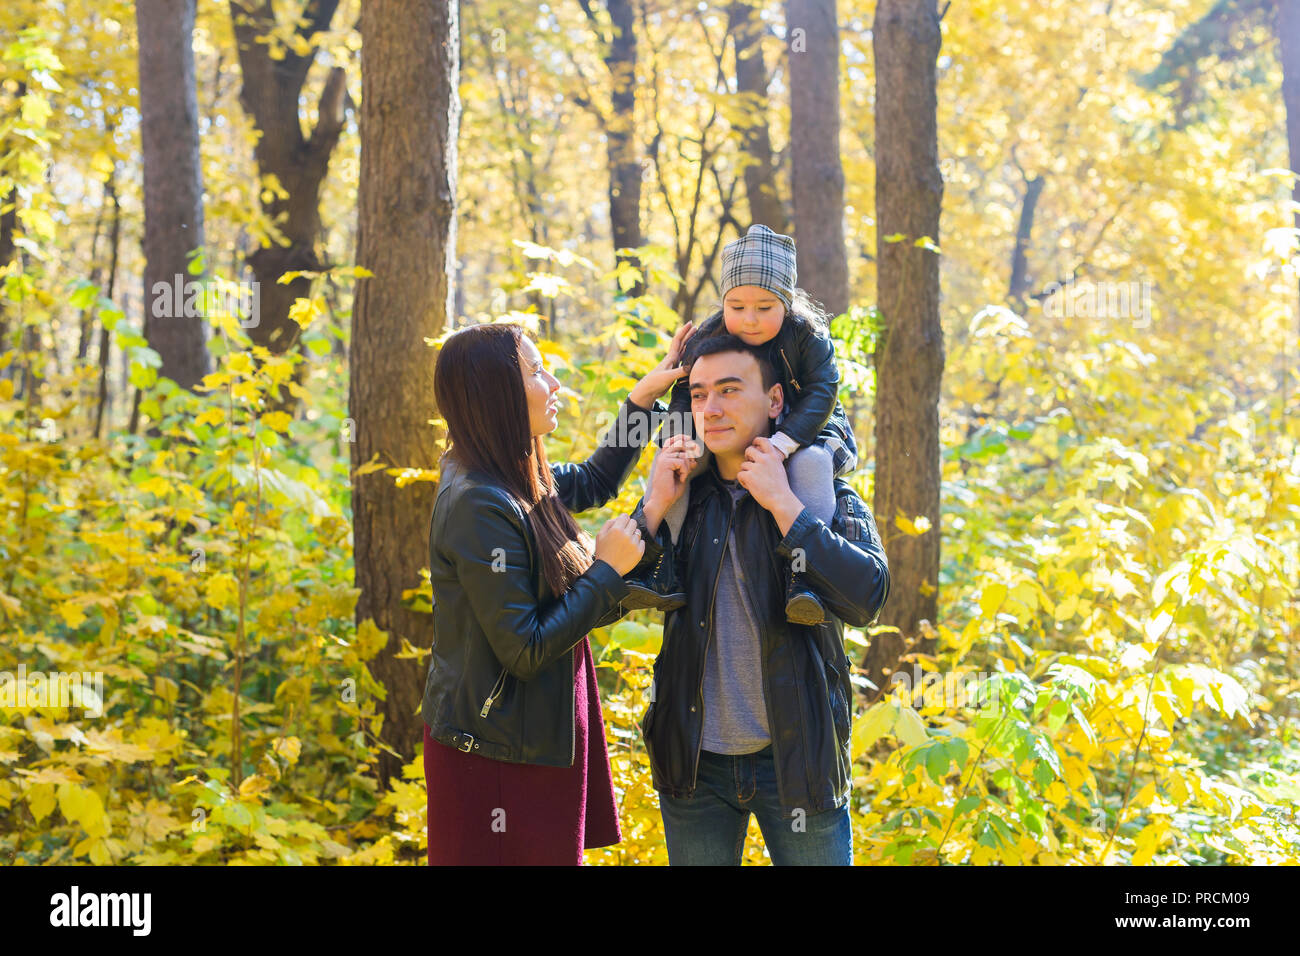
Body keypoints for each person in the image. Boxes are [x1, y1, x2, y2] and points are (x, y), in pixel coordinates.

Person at [421, 320, 693, 865]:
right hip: (495, 752)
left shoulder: (515, 470)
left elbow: (593, 481)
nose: (554, 383)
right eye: (536, 371)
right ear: (494, 392)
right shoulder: (480, 502)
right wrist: (605, 572)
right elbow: (524, 650)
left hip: (532, 732)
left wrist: (641, 401)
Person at [626, 333, 889, 865]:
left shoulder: (817, 487)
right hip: (694, 765)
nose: (711, 408)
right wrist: (652, 506)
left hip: (797, 760)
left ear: (774, 401)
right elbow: (610, 597)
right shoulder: (680, 493)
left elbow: (867, 597)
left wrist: (785, 507)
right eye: (698, 395)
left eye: (728, 390)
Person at [622, 223, 858, 626]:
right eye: (737, 307)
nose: (750, 320)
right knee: (677, 463)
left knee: (811, 466)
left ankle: (806, 575)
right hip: (727, 433)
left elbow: (823, 391)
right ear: (723, 303)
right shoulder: (708, 335)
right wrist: (676, 438)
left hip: (804, 423)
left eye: (765, 308)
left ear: (786, 302)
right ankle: (666, 566)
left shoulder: (808, 335)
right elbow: (685, 395)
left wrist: (784, 443)